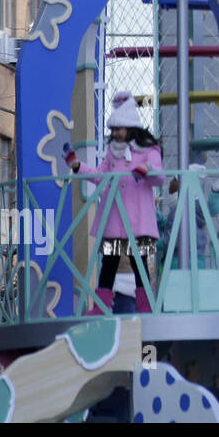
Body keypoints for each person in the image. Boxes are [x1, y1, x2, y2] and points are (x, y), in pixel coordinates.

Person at [64, 90, 165, 314]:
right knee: (108, 265)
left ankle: (145, 307)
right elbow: (101, 175)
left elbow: (159, 175)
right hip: (115, 219)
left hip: (138, 223)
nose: (116, 134)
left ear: (130, 127)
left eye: (119, 129)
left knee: (140, 266)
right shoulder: (113, 152)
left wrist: (146, 169)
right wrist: (78, 166)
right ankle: (100, 307)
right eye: (113, 130)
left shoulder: (148, 149)